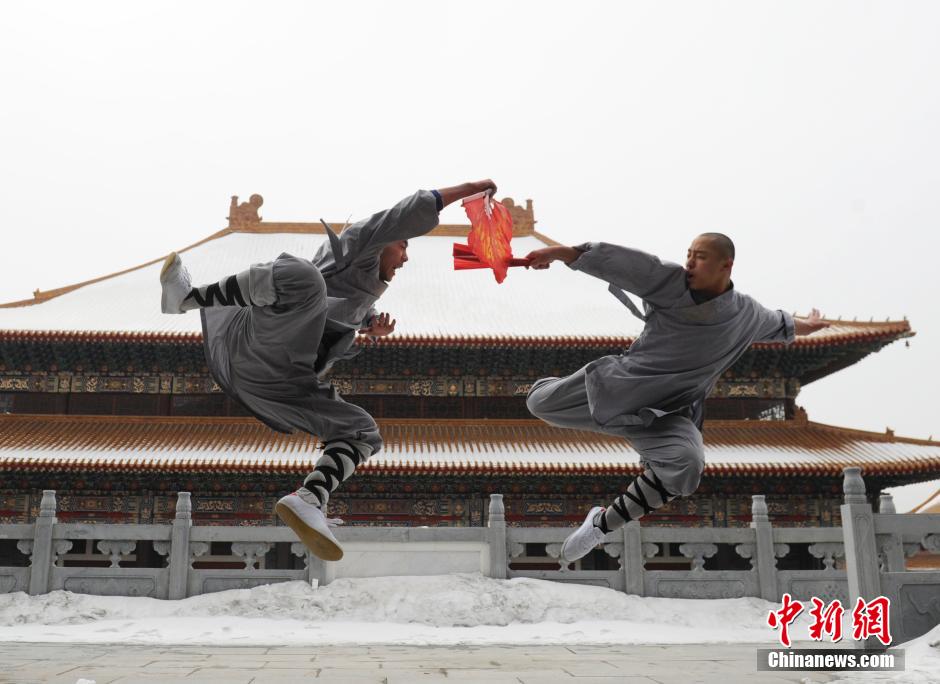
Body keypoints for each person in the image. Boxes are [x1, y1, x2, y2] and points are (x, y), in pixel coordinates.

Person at [159, 180, 498, 560]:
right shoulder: (360, 244)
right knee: (303, 277)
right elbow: (406, 213)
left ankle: (309, 498)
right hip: (256, 348)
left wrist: (366, 327)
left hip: (284, 383)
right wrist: (470, 188)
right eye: (403, 245)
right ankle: (186, 298)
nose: (405, 258)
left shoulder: (362, 293)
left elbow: (333, 320)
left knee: (363, 432)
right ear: (386, 240)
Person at [523, 235, 829, 562]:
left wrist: (806, 326)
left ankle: (600, 524)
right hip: (621, 388)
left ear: (726, 265)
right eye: (689, 255)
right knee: (538, 403)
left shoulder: (745, 314)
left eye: (700, 257)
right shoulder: (671, 284)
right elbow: (627, 264)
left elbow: (779, 323)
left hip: (670, 414)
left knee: (687, 467)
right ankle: (559, 384)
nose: (690, 263)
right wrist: (559, 253)